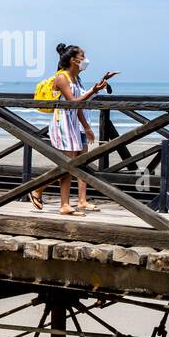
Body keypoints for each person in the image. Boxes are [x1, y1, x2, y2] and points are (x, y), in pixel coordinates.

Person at [31, 43, 118, 216]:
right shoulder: (62, 78)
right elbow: (73, 103)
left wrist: (86, 126)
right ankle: (38, 189)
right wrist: (94, 89)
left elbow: (78, 106)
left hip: (71, 123)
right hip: (62, 124)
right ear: (73, 60)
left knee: (71, 166)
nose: (85, 59)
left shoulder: (75, 79)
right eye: (82, 56)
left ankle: (64, 204)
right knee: (68, 165)